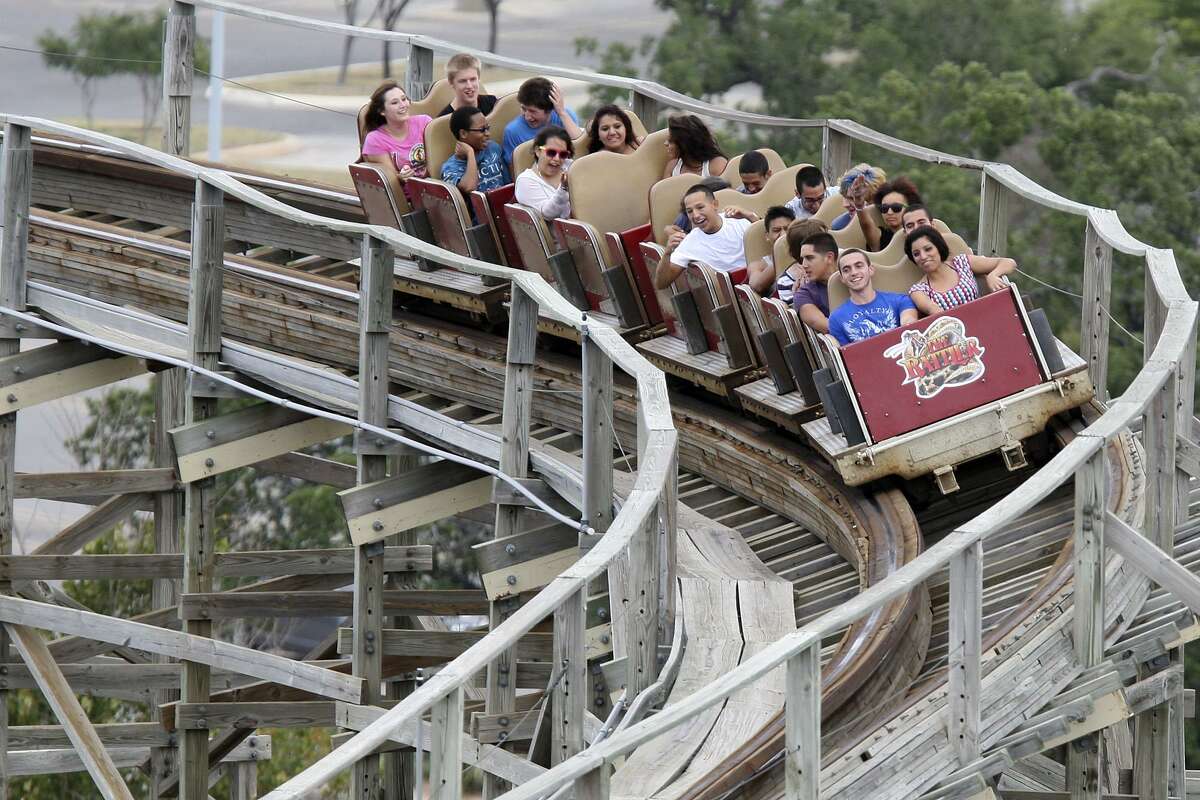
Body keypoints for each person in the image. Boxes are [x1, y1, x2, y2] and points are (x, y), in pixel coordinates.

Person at [656, 183, 757, 288]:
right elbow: (662, 283)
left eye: (700, 207)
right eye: (689, 211)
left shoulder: (739, 219)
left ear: (715, 205)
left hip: (758, 279)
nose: (696, 215)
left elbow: (769, 243)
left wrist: (751, 217)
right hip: (731, 293)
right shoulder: (689, 242)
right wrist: (667, 253)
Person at [905, 226, 1016, 315]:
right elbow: (934, 311)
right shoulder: (918, 290)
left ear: (938, 247)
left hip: (985, 316)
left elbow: (1009, 262)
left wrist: (993, 275)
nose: (923, 256)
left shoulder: (961, 263)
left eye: (928, 249)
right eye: (916, 254)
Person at [827, 248, 917, 346]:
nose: (853, 273)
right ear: (842, 278)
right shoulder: (836, 319)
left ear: (870, 270)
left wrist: (908, 323)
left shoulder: (900, 301)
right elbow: (846, 354)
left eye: (858, 266)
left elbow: (909, 324)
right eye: (846, 270)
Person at [361, 80, 433, 201]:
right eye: (395, 102)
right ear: (382, 111)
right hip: (409, 199)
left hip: (435, 189)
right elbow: (390, 178)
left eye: (404, 99)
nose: (403, 105)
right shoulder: (375, 139)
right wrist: (402, 176)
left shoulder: (425, 122)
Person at [502, 77, 582, 167]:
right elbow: (514, 167)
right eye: (523, 109)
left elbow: (580, 147)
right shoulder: (513, 131)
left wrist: (562, 113)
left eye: (533, 111)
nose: (527, 117)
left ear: (549, 110)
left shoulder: (566, 116)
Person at [441, 105, 510, 194]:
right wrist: (470, 153)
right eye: (482, 130)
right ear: (463, 133)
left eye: (487, 128)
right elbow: (469, 187)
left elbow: (508, 183)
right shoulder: (450, 168)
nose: (488, 134)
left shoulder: (493, 148)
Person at [514, 126, 573, 221]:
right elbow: (547, 213)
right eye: (551, 152)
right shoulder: (525, 181)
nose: (557, 159)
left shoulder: (571, 167)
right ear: (538, 151)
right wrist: (563, 188)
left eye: (563, 154)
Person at [789, 231, 838, 332]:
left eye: (809, 258)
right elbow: (827, 327)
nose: (804, 264)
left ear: (829, 257)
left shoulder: (854, 278)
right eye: (803, 259)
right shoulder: (803, 294)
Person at [661, 115, 729, 179]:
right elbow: (662, 191)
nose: (665, 143)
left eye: (670, 141)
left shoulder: (717, 164)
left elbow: (725, 190)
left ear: (684, 144)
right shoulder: (672, 166)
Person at [747, 205, 795, 295]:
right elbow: (757, 285)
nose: (783, 235)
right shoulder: (758, 265)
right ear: (767, 236)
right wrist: (782, 257)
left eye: (787, 229)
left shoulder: (805, 255)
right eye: (777, 230)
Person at [830, 163, 887, 235]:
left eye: (852, 198)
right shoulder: (839, 226)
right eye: (844, 197)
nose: (845, 204)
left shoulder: (890, 220)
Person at [870, 176, 922, 250]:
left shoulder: (921, 234)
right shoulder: (879, 236)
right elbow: (866, 225)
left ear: (910, 207)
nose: (889, 212)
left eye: (896, 208)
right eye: (884, 208)